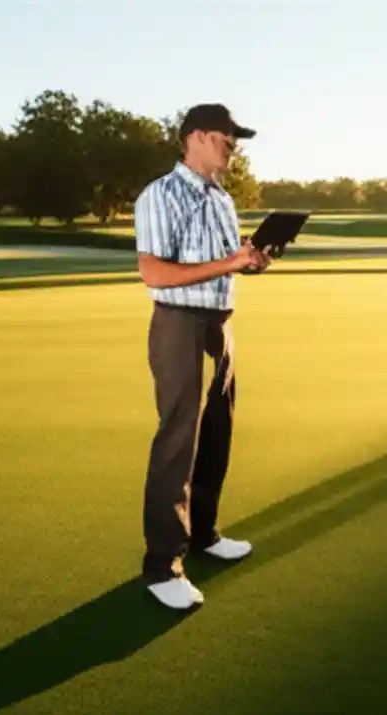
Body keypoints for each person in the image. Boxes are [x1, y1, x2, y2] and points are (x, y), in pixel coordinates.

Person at [133, 103, 270, 610]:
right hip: (178, 323)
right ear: (195, 137)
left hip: (219, 323)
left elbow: (219, 265)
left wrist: (249, 261)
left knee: (217, 431)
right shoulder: (160, 194)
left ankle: (204, 533)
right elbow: (154, 273)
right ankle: (163, 566)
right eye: (226, 137)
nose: (233, 145)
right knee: (178, 437)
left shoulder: (222, 199)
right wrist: (229, 261)